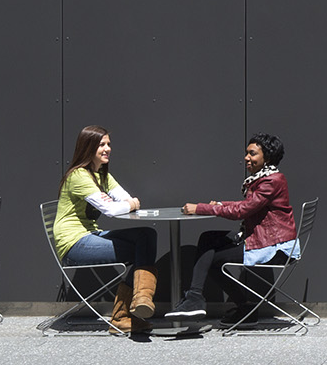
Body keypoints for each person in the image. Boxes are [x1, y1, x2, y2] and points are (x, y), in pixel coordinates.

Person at [172, 133, 298, 329]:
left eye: (252, 154)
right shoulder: (265, 178)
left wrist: (202, 208)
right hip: (262, 237)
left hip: (273, 246)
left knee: (211, 260)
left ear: (267, 157)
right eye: (246, 153)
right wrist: (220, 205)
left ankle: (237, 306)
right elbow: (248, 205)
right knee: (208, 238)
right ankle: (198, 298)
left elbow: (242, 211)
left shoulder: (272, 181)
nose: (246, 158)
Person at [52, 125, 162, 338]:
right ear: (88, 147)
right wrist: (129, 204)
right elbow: (113, 209)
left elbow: (124, 198)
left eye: (108, 144)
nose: (107, 149)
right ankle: (124, 314)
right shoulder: (79, 176)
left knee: (147, 235)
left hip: (91, 235)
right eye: (101, 144)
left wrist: (126, 203)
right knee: (142, 250)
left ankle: (141, 300)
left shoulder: (101, 175)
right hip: (74, 244)